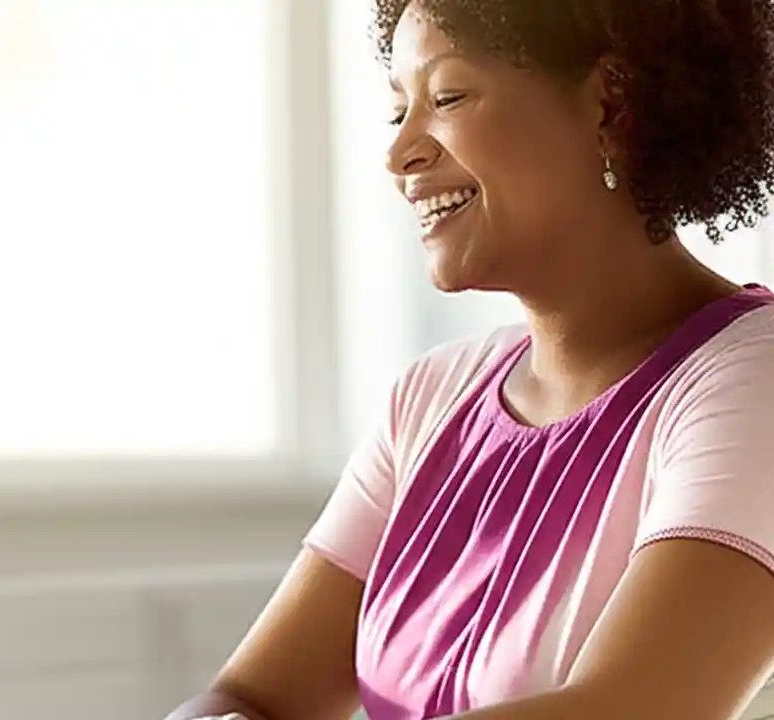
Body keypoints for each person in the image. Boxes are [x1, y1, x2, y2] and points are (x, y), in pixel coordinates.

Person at [168, 1, 774, 718]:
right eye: (398, 112)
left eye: (448, 97)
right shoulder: (431, 397)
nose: (400, 154)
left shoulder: (750, 381)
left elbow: (633, 707)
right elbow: (248, 696)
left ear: (610, 103)